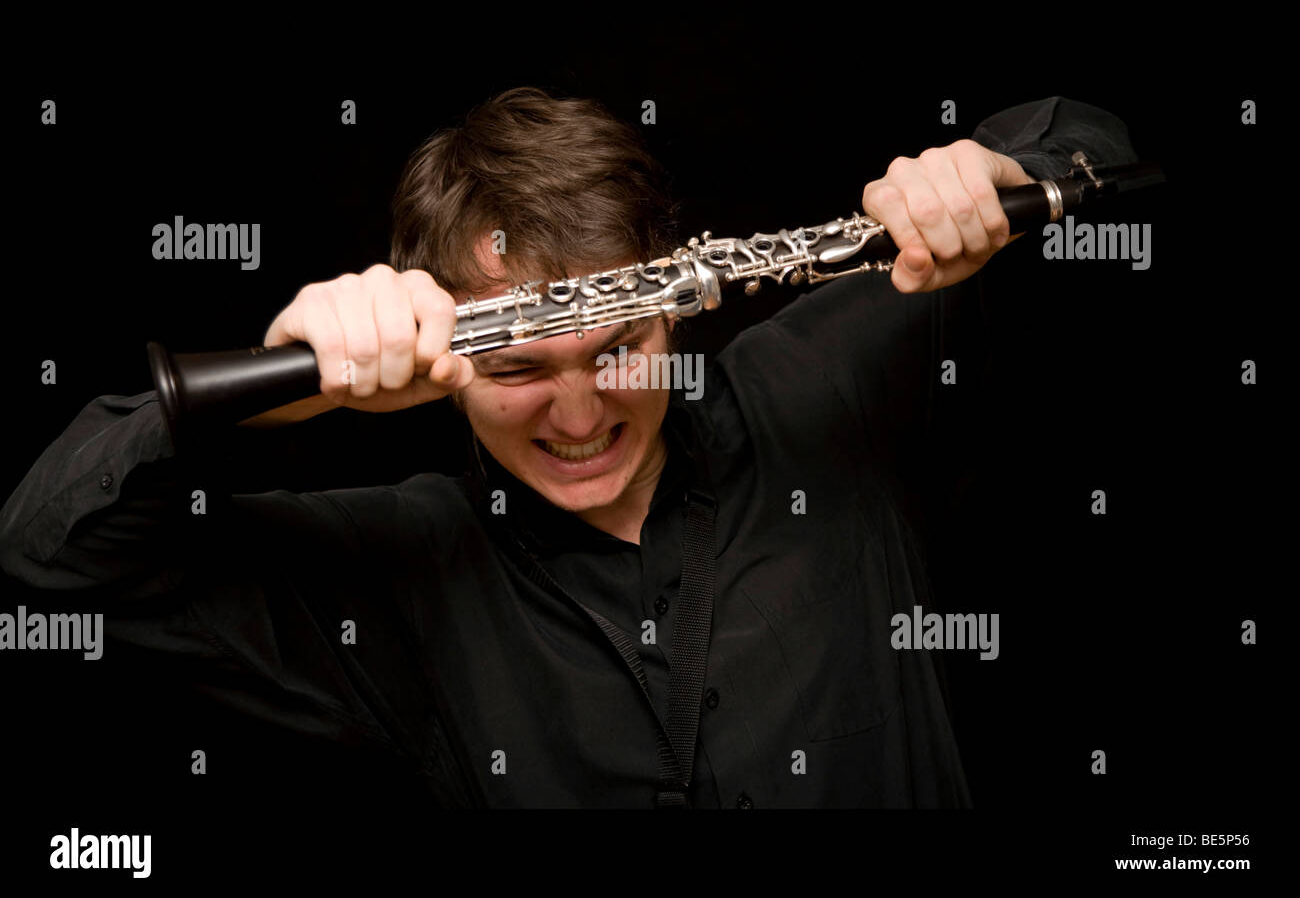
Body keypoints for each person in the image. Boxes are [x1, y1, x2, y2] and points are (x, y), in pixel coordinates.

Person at [0, 87, 1139, 807]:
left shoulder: (828, 382)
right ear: (440, 355)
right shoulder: (391, 572)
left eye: (616, 350)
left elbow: (1119, 163)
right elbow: (53, 552)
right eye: (516, 367)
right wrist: (292, 390)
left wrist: (998, 171)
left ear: (680, 300)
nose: (583, 415)